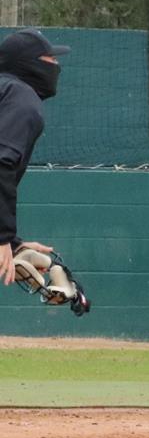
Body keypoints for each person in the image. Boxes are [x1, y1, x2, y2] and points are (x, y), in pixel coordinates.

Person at [0, 28, 69, 289]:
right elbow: (1, 164)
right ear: (29, 64)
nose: (57, 65)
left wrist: (14, 243)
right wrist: (3, 238)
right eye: (50, 59)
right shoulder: (20, 96)